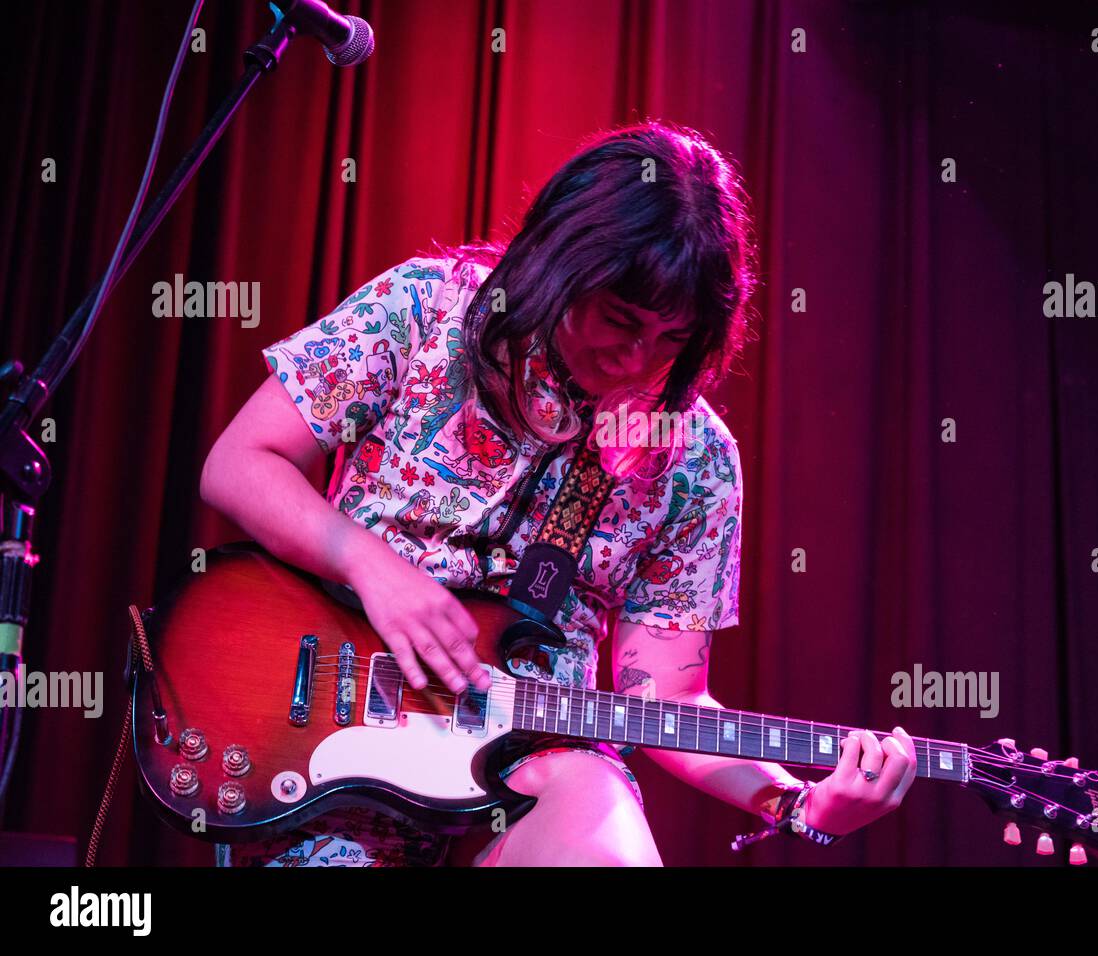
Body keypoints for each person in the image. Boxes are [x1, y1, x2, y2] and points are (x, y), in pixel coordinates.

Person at [200, 121, 917, 866]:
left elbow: (665, 700)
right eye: (620, 318)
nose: (637, 357)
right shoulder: (424, 310)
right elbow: (239, 463)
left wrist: (799, 803)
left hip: (535, 765)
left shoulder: (697, 459)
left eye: (673, 338)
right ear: (560, 262)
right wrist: (372, 567)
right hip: (332, 740)